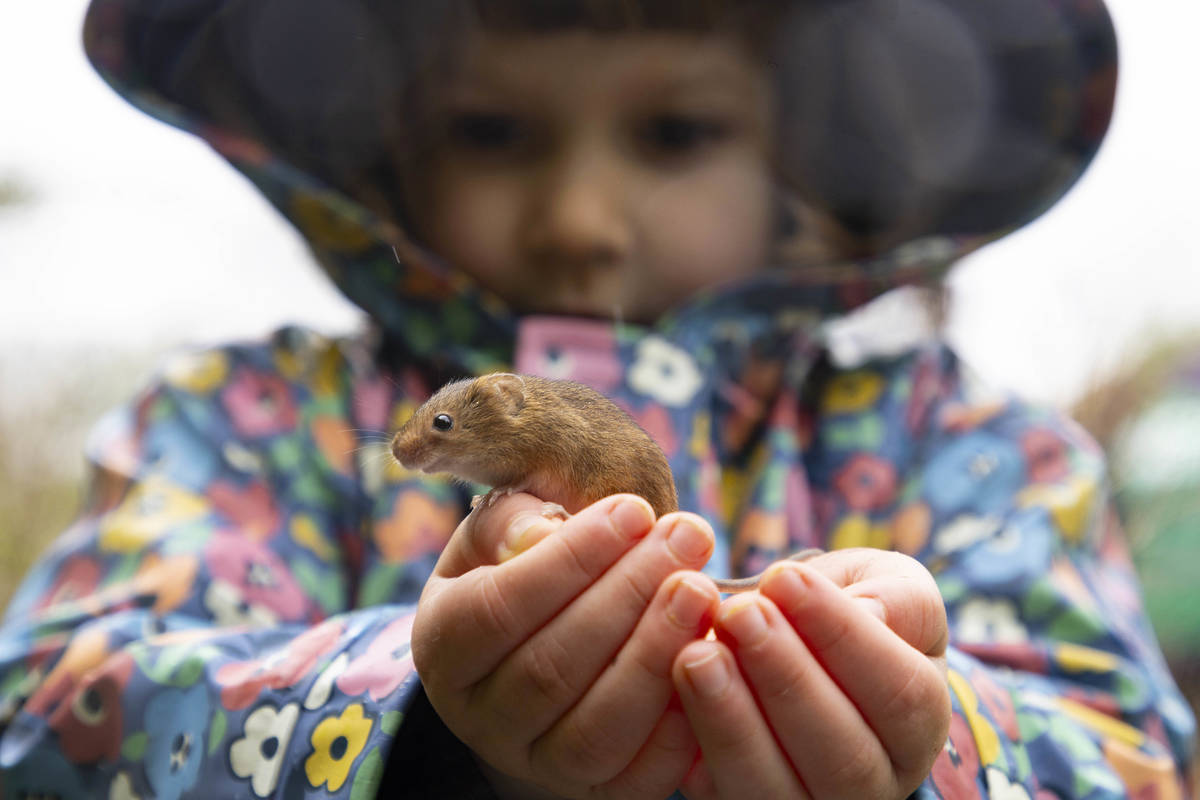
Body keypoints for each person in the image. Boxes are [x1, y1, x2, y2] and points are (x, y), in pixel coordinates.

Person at [0, 0, 1192, 797]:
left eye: (674, 131)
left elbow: (1133, 754)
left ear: (804, 173)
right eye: (493, 130)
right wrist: (421, 717)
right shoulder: (249, 420)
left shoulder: (965, 446)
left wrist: (920, 737)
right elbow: (48, 710)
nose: (579, 216)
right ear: (392, 155)